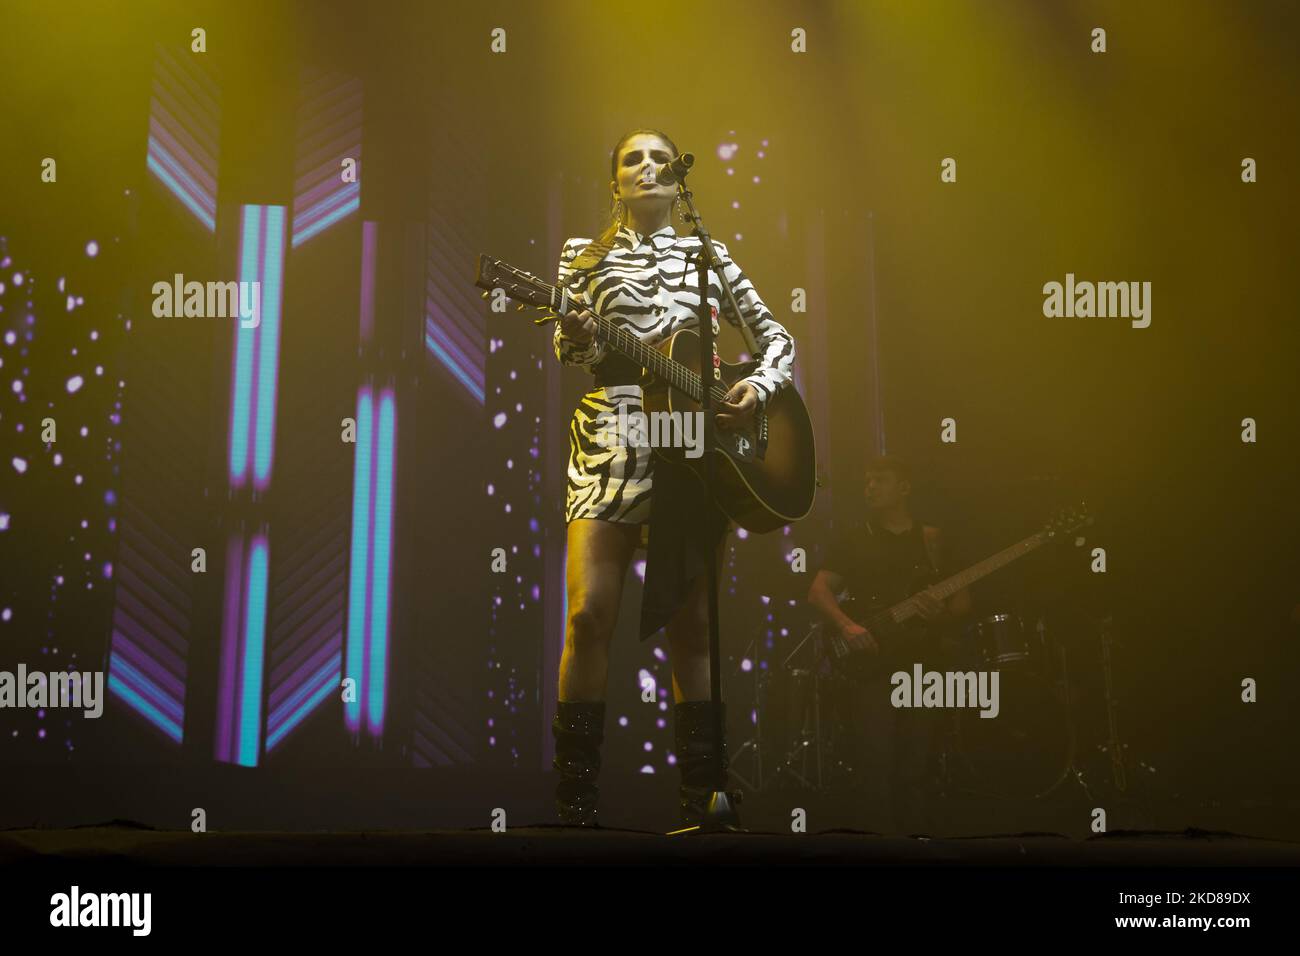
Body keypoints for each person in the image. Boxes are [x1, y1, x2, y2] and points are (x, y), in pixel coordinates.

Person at [549, 128, 796, 827]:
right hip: (612, 436)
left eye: (661, 158)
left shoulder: (707, 255)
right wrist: (574, 329)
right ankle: (575, 804)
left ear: (676, 177)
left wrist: (762, 388)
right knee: (588, 613)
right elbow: (568, 348)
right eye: (634, 158)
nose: (650, 168)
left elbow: (777, 337)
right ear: (614, 181)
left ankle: (704, 801)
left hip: (696, 446)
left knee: (693, 628)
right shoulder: (581, 255)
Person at [807, 455, 971, 832]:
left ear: (904, 488)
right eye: (866, 481)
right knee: (875, 763)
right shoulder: (853, 538)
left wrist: (940, 616)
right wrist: (848, 627)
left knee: (917, 767)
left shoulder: (932, 540)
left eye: (880, 480)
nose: (870, 487)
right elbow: (817, 592)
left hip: (923, 663)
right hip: (873, 663)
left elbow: (963, 601)